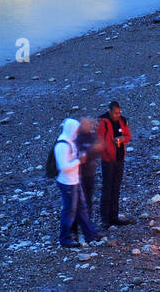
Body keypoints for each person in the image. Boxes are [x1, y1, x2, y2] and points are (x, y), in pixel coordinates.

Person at [54, 118, 101, 248]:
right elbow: (63, 166)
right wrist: (79, 161)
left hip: (75, 180)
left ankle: (90, 234)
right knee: (69, 211)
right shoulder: (62, 145)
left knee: (82, 209)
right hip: (67, 183)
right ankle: (65, 239)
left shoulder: (70, 141)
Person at [98, 101, 132, 227]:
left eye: (119, 112)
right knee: (107, 188)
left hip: (119, 159)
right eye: (116, 113)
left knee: (116, 188)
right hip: (108, 160)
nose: (118, 115)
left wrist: (122, 139)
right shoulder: (103, 123)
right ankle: (105, 219)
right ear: (110, 111)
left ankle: (114, 216)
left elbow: (128, 136)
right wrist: (108, 148)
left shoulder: (122, 121)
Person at [71, 118, 100, 241]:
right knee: (76, 202)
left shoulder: (92, 136)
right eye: (86, 124)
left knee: (88, 200)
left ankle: (88, 227)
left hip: (89, 173)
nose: (89, 126)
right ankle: (74, 229)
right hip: (78, 175)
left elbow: (98, 151)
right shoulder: (77, 138)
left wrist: (94, 150)